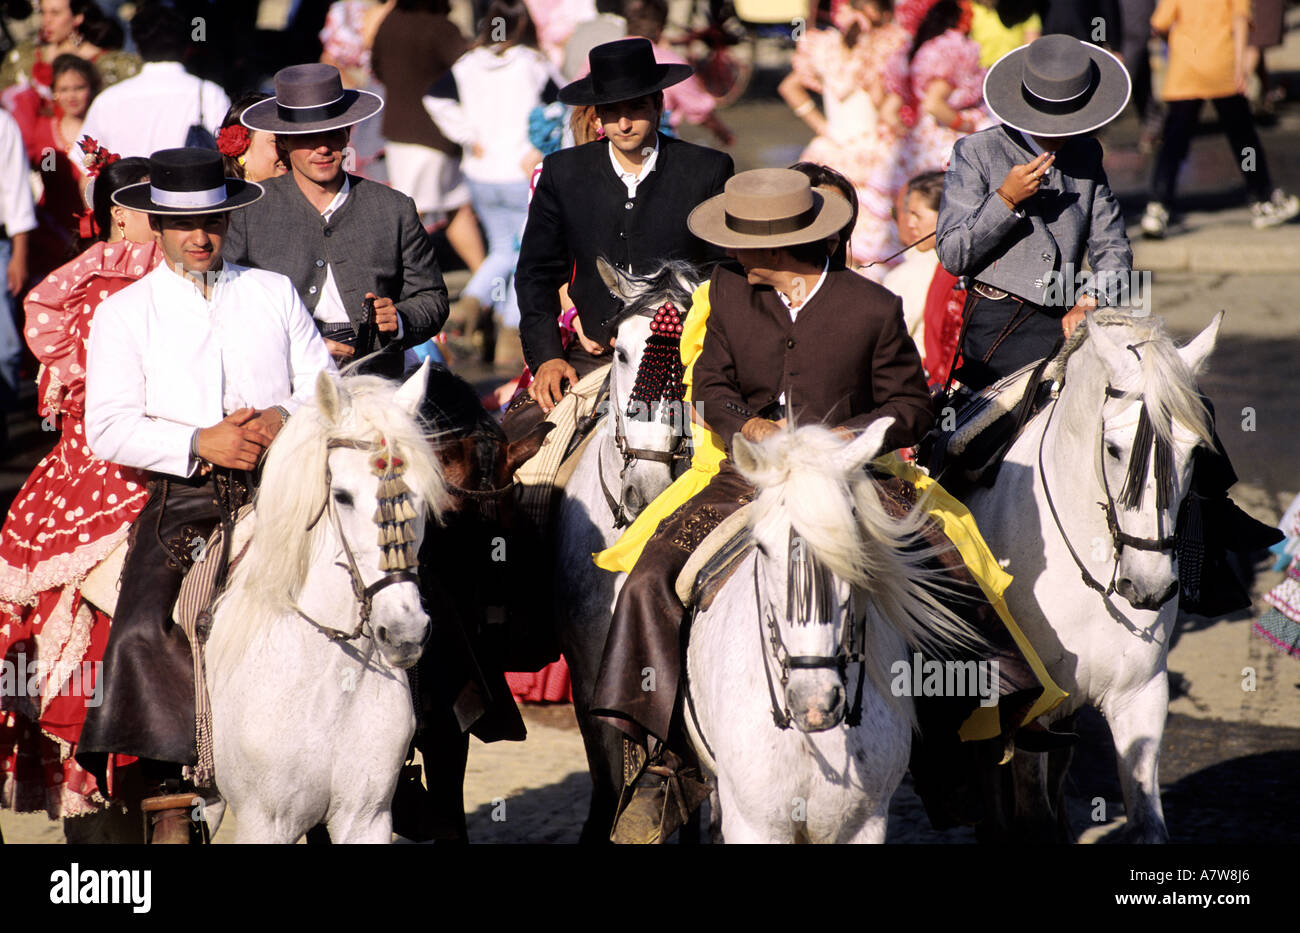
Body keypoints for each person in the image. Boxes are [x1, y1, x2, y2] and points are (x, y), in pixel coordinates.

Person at [75, 148, 335, 822]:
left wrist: (283, 416)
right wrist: (199, 441)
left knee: (397, 574)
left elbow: (321, 387)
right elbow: (107, 426)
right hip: (187, 494)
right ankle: (168, 777)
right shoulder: (125, 313)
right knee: (142, 624)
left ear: (227, 219)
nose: (200, 237)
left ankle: (414, 748)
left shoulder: (272, 291)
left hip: (289, 480)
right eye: (184, 224)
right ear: (157, 225)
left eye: (212, 221)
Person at [0, 155, 159, 828]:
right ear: (119, 214)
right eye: (156, 207)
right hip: (114, 475)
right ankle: (107, 767)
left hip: (111, 468)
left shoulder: (160, 278)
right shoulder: (104, 288)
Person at [510, 37, 733, 432]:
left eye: (636, 109)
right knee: (519, 459)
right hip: (590, 356)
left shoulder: (706, 170)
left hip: (687, 357)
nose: (624, 124)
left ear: (659, 105)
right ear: (597, 117)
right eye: (612, 113)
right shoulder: (563, 174)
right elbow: (536, 273)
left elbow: (725, 273)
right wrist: (546, 357)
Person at [226, 63, 449, 378]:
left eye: (331, 132)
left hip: (377, 377)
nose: (322, 147)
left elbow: (431, 296)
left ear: (347, 133)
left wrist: (398, 319)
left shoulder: (394, 208)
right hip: (281, 374)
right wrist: (299, 341)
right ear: (283, 143)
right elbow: (225, 300)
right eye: (307, 136)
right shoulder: (248, 211)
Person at [936, 33, 1131, 391]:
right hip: (999, 320)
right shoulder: (978, 152)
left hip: (1071, 310)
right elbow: (952, 253)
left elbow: (1113, 248)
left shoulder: (1086, 153)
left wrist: (1091, 300)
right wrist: (1005, 200)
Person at [423, 0, 565, 366]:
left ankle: (472, 310)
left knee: (504, 249)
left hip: (481, 173)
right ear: (522, 25)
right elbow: (564, 104)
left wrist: (468, 137)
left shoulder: (467, 64)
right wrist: (539, 146)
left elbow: (434, 99)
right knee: (522, 254)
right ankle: (507, 333)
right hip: (521, 174)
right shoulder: (532, 63)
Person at [1139, 0, 1299, 238]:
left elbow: (1160, 24)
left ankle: (1158, 206)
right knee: (1244, 140)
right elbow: (1241, 19)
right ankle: (1262, 198)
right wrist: (1240, 67)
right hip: (1222, 67)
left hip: (1185, 69)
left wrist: (1174, 44)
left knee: (1173, 142)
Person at [780, 0, 910, 274]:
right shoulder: (879, 51)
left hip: (832, 146)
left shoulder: (824, 49)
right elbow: (880, 104)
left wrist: (821, 125)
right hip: (870, 148)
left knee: (828, 221)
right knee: (866, 234)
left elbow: (789, 87)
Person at [371, 0, 485, 272]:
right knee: (415, 216)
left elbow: (376, 69)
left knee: (455, 208)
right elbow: (473, 72)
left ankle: (487, 288)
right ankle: (390, 283)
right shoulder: (441, 29)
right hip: (434, 134)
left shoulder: (390, 21)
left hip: (401, 131)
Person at [73, 1, 229, 162]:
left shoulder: (108, 100)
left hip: (125, 186)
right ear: (187, 47)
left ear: (137, 48)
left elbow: (84, 159)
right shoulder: (209, 94)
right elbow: (230, 155)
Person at [882, 0, 989, 183]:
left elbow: (888, 112)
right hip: (940, 142)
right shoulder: (949, 49)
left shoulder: (912, 51)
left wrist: (908, 138)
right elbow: (933, 103)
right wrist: (968, 126)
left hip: (913, 144)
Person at [23, 54, 99, 282]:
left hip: (97, 234)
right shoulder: (42, 130)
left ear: (91, 89)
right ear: (53, 91)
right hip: (52, 235)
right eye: (64, 89)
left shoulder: (101, 128)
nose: (71, 96)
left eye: (79, 88)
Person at [622, 0, 734, 147]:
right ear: (661, 28)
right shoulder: (669, 61)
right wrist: (724, 134)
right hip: (655, 144)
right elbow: (699, 109)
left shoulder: (599, 57)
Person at [0, 106, 37, 439]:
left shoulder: (2, 124)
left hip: (0, 246)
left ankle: (6, 420)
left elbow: (15, 190)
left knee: (6, 348)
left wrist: (19, 254)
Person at [215, 93, 287, 184]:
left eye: (289, 140)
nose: (288, 150)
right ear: (240, 148)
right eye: (276, 141)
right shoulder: (226, 197)